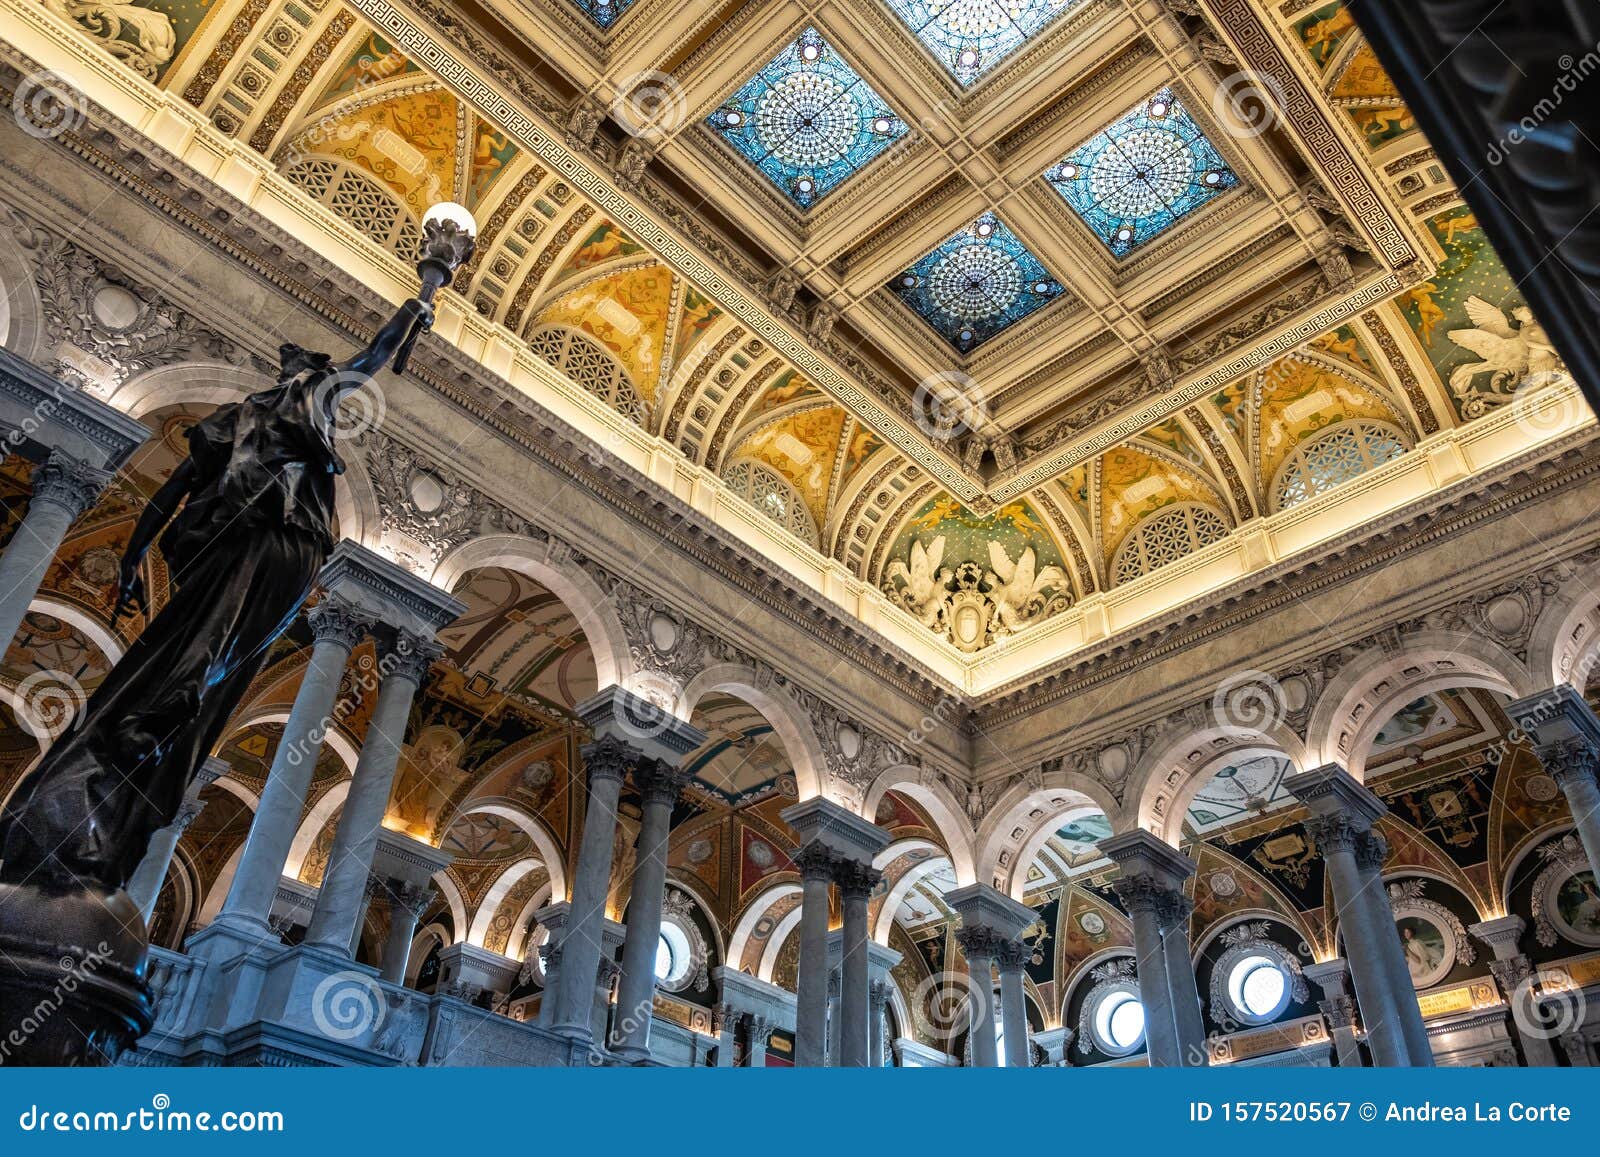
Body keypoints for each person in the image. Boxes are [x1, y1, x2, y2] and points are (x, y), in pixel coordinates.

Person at [0, 297, 432, 894]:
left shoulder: (279, 409)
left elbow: (373, 357)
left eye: (301, 369)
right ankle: (155, 726)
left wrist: (422, 298)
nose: (297, 375)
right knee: (202, 654)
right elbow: (179, 484)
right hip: (262, 544)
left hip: (272, 544)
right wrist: (133, 553)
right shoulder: (253, 417)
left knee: (209, 655)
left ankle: (159, 719)